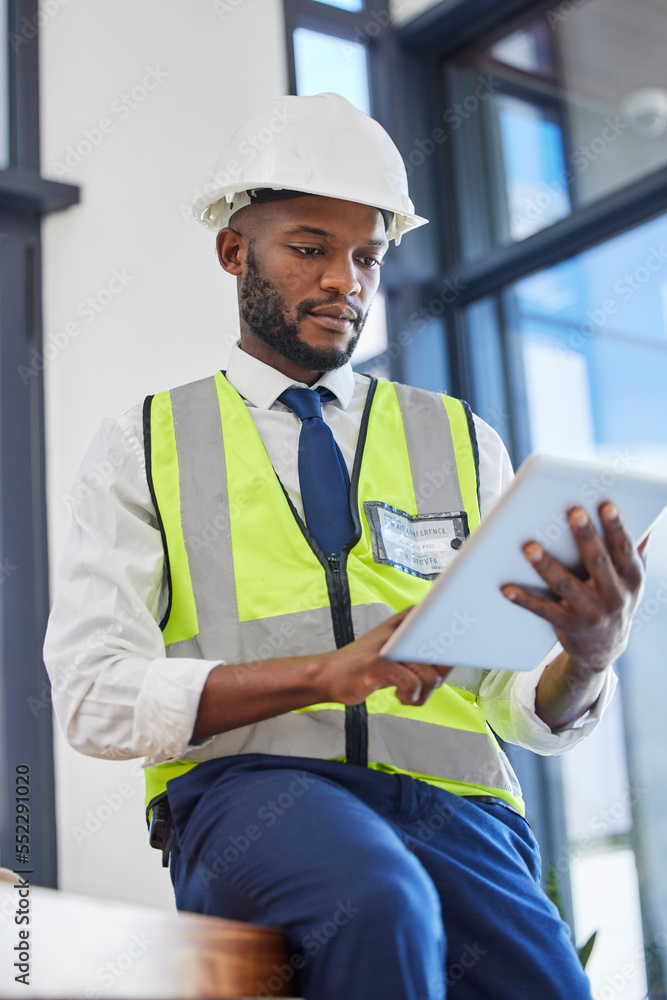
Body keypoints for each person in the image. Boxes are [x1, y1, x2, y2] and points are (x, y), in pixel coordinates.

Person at [44, 94, 645, 1000]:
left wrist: (589, 657)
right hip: (253, 801)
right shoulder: (145, 441)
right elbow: (93, 697)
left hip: (461, 811)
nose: (345, 282)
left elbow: (515, 705)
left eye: (366, 255)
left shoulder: (458, 438)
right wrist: (317, 677)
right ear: (233, 251)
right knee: (375, 898)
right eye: (310, 248)